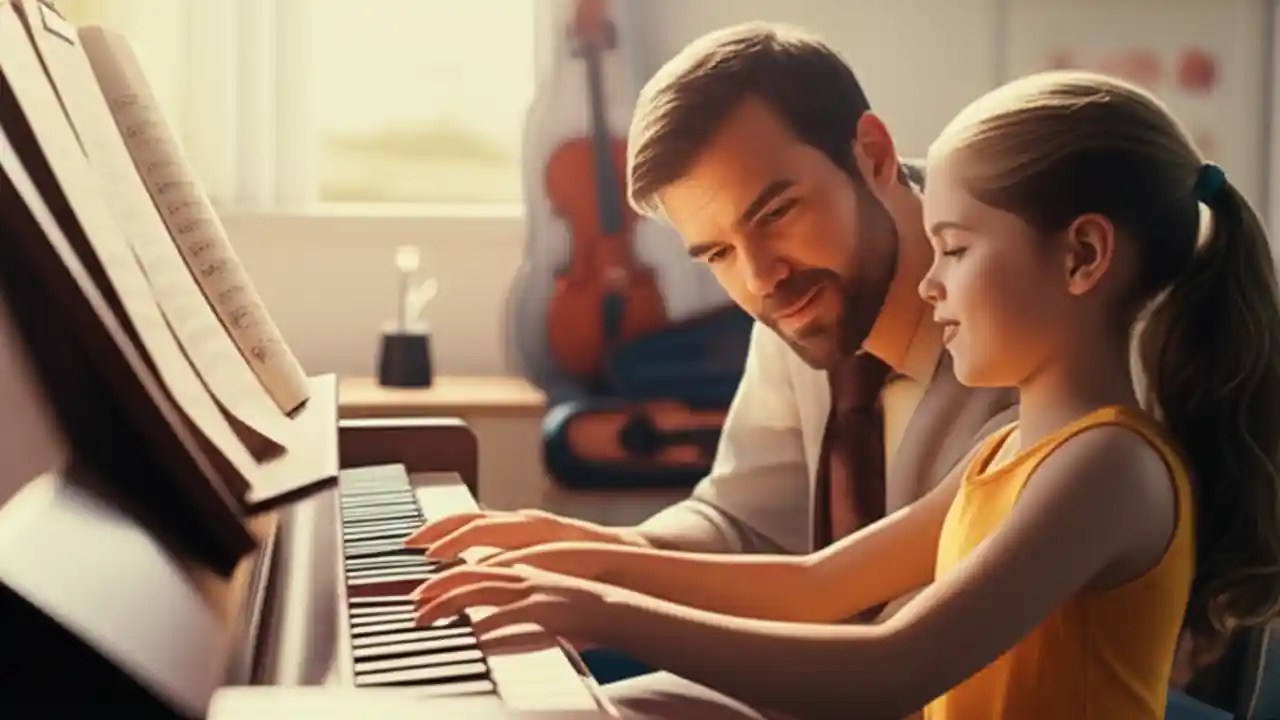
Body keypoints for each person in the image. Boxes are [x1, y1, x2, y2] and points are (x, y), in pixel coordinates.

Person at [411, 69, 1280, 719]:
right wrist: (582, 557)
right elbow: (814, 585)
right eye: (715, 252)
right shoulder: (1009, 451)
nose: (930, 285)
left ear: (1083, 256)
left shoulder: (1109, 469)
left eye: (956, 249)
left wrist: (609, 614)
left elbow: (891, 666)